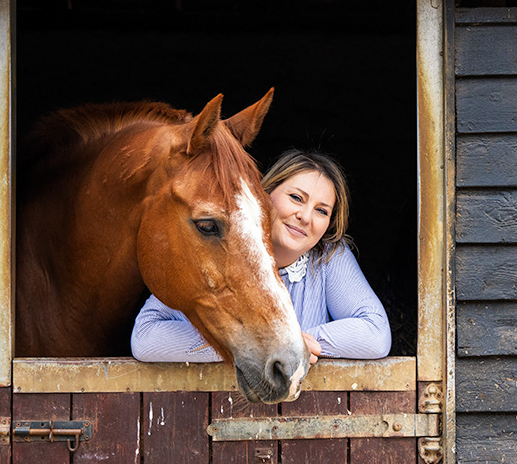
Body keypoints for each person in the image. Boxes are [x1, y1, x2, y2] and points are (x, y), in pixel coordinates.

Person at [131, 149, 392, 363]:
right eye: (296, 198)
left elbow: (376, 333)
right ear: (263, 195)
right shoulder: (218, 244)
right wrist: (253, 344)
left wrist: (295, 343)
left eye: (322, 211)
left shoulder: (328, 258)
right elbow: (145, 337)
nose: (305, 217)